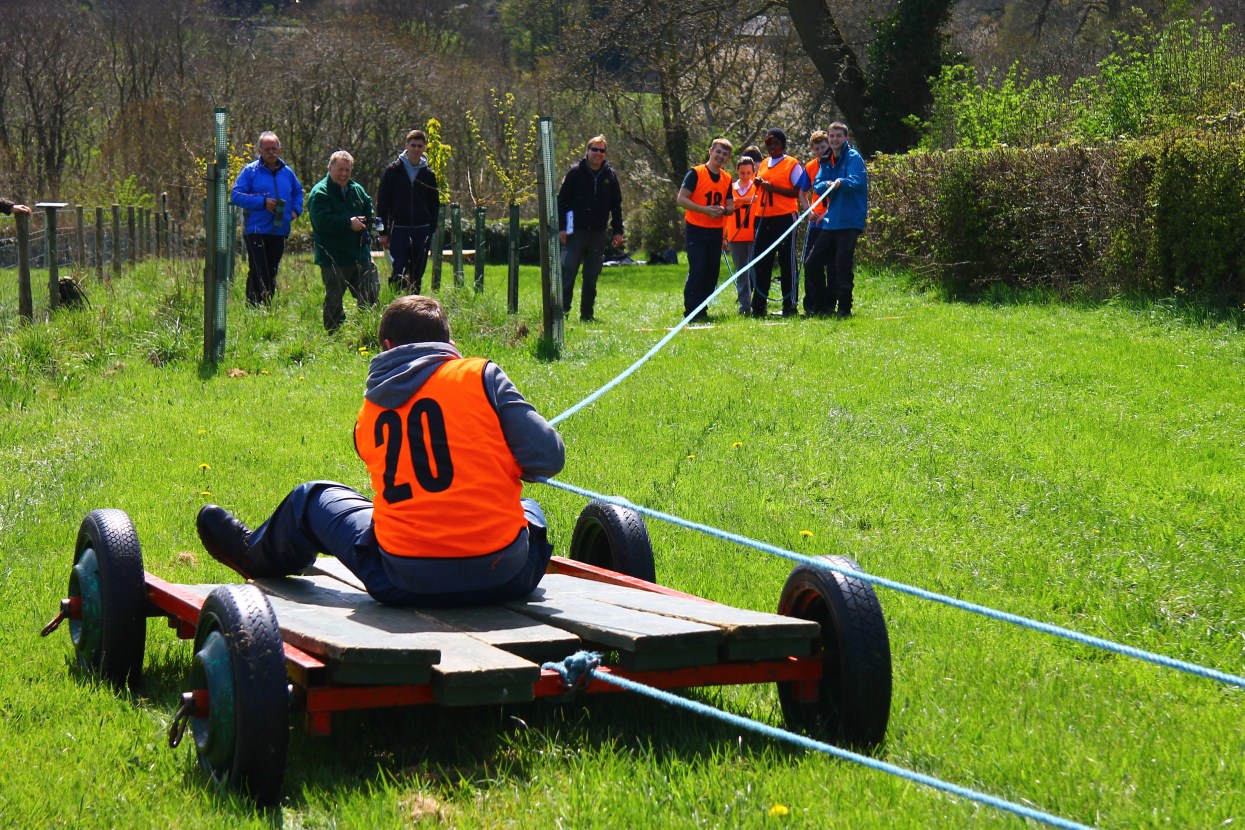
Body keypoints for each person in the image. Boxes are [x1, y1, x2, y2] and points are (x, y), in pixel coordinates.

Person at [196, 294, 566, 608]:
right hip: (505, 577)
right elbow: (549, 459)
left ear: (387, 347)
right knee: (531, 510)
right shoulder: (482, 375)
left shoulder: (368, 414)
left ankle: (253, 553)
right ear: (448, 341)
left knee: (311, 497)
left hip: (401, 582)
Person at [307, 150, 380, 332]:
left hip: (359, 254)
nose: (344, 174)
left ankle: (368, 331)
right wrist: (349, 223)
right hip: (333, 257)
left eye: (347, 170)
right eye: (340, 169)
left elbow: (368, 205)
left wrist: (366, 223)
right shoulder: (320, 193)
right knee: (334, 301)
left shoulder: (356, 189)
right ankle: (334, 336)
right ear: (330, 168)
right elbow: (321, 221)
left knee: (370, 294)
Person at [230, 131, 304, 305]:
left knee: (271, 271)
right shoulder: (250, 171)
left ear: (279, 149)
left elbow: (298, 192)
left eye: (274, 148)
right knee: (258, 270)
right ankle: (253, 307)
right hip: (256, 230)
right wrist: (263, 202)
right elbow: (236, 196)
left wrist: (296, 211)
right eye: (267, 149)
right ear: (260, 151)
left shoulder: (287, 172)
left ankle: (267, 306)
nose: (271, 152)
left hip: (279, 229)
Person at [556, 135, 624, 322]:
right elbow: (561, 202)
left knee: (591, 275)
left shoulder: (610, 176)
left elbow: (616, 205)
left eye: (602, 150)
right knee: (568, 270)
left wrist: (618, 231)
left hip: (598, 233)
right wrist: (562, 228)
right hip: (574, 231)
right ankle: (562, 313)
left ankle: (587, 314)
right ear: (587, 151)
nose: (598, 154)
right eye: (595, 149)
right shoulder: (575, 172)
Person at [804, 122, 868, 318]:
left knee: (842, 265)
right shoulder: (827, 160)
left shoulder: (853, 157)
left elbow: (856, 180)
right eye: (831, 136)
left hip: (849, 221)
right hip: (831, 221)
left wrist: (841, 183)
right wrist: (830, 183)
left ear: (846, 138)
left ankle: (844, 308)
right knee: (812, 263)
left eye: (838, 136)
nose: (834, 139)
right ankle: (823, 304)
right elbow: (818, 185)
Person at [750, 128, 811, 318]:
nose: (772, 147)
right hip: (763, 216)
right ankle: (759, 306)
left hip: (785, 217)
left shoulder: (792, 164)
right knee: (762, 262)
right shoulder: (764, 164)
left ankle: (790, 305)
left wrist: (773, 188)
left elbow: (798, 191)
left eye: (776, 143)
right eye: (769, 144)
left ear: (782, 144)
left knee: (787, 262)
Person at [676, 138, 735, 323]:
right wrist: (705, 210)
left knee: (712, 272)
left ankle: (702, 308)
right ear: (710, 151)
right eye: (718, 152)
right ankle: (691, 311)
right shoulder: (696, 173)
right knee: (698, 269)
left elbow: (731, 205)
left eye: (724, 154)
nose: (720, 156)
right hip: (696, 228)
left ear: (728, 158)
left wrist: (723, 210)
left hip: (716, 231)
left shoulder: (726, 178)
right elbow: (681, 199)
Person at [376, 129, 440, 294]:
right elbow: (382, 203)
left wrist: (431, 228)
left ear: (424, 148)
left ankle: (414, 308)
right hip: (399, 230)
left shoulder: (428, 174)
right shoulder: (393, 171)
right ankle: (396, 305)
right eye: (413, 145)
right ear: (406, 146)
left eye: (420, 146)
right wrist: (382, 231)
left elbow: (434, 204)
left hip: (421, 230)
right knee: (399, 272)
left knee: (417, 274)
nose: (416, 149)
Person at [723, 155, 759, 316]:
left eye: (748, 173)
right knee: (741, 272)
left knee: (755, 271)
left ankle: (758, 303)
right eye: (742, 173)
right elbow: (726, 210)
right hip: (735, 236)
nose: (745, 176)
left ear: (753, 172)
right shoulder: (729, 188)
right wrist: (723, 235)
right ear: (737, 171)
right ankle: (744, 306)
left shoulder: (757, 188)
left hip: (752, 235)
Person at [801, 130, 832, 315]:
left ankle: (829, 303)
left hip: (831, 221)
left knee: (831, 265)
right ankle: (812, 304)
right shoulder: (811, 166)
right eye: (817, 148)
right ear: (813, 150)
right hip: (815, 222)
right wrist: (808, 211)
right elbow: (801, 191)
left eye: (823, 147)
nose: (821, 151)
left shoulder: (835, 163)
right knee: (810, 263)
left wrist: (827, 213)